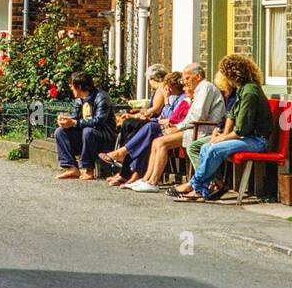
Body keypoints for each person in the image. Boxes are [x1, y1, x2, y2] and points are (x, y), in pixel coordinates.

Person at [172, 54, 273, 202]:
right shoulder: (242, 89)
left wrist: (221, 138)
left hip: (257, 141)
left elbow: (241, 130)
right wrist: (219, 135)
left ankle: (195, 185)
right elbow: (231, 114)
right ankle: (203, 190)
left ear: (231, 75)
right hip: (247, 138)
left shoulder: (250, 92)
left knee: (213, 149)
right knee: (206, 147)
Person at [124, 63, 226, 193]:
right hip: (194, 128)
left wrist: (177, 127)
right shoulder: (199, 91)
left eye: (187, 78)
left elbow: (197, 116)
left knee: (161, 142)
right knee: (156, 141)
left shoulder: (205, 88)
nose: (184, 83)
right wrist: (177, 126)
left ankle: (153, 181)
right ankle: (147, 179)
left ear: (198, 76)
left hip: (203, 130)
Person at [101, 71, 187, 186]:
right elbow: (164, 116)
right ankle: (128, 172)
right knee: (129, 125)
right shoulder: (173, 97)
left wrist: (165, 102)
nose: (167, 90)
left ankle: (126, 163)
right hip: (161, 123)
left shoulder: (181, 98)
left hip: (170, 128)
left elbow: (170, 118)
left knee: (146, 129)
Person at [54, 71, 117, 181]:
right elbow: (75, 118)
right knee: (60, 131)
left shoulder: (101, 97)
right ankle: (71, 168)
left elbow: (99, 121)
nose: (71, 89)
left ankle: (89, 170)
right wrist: (66, 121)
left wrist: (74, 123)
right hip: (86, 138)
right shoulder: (79, 100)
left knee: (88, 131)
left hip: (104, 138)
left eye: (72, 86)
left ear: (78, 87)